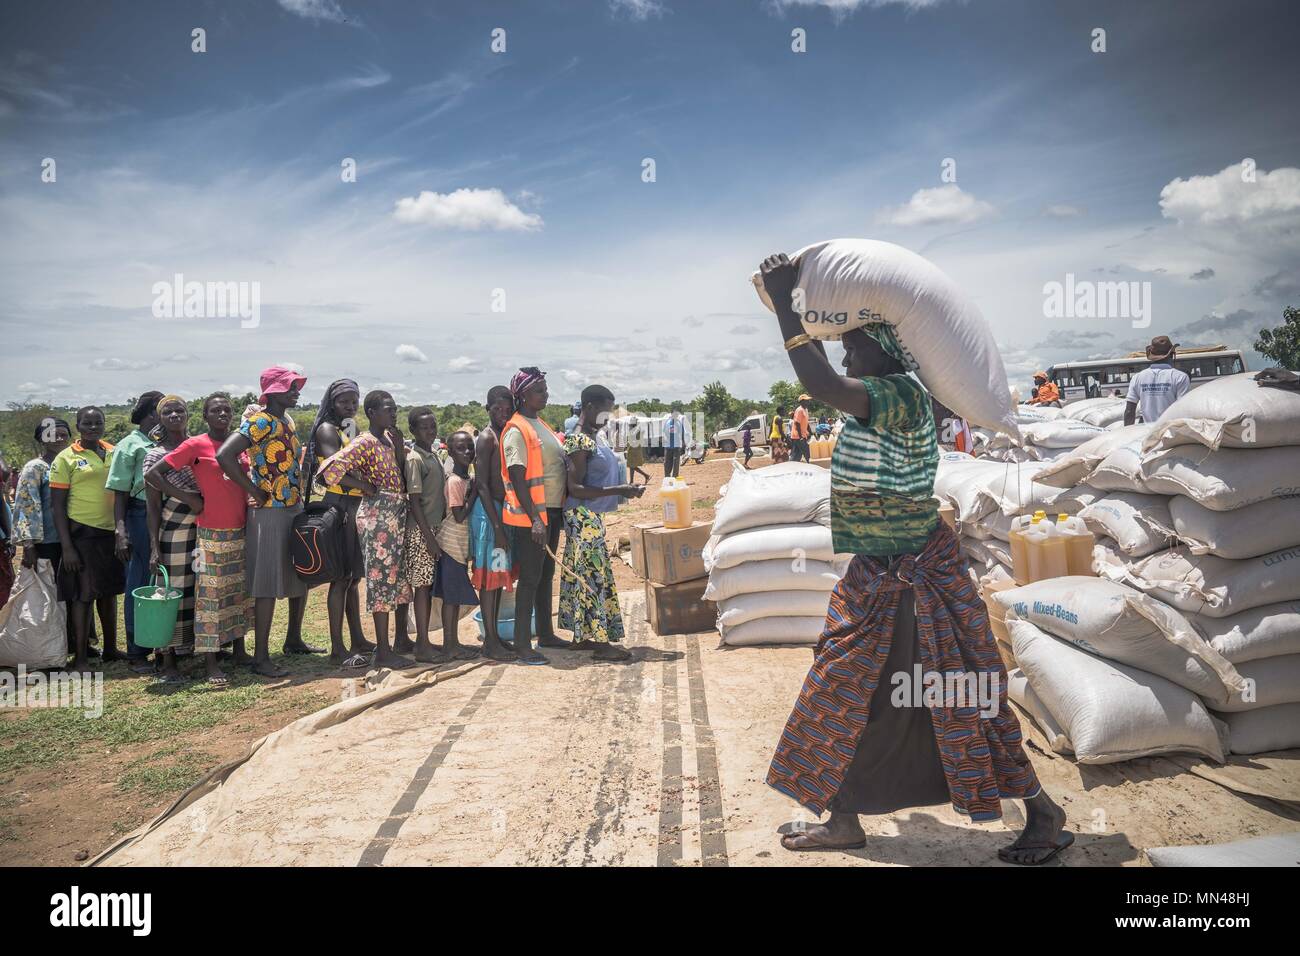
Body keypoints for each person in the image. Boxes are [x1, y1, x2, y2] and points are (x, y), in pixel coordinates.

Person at [757, 252, 1069, 865]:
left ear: (887, 352)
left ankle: (1044, 814)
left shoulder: (899, 395)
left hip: (917, 576)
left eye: (852, 346)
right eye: (842, 347)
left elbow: (819, 383)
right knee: (841, 687)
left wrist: (784, 305)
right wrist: (794, 306)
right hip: (878, 573)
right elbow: (823, 376)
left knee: (962, 694)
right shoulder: (884, 390)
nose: (845, 356)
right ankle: (842, 818)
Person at [217, 366, 318, 677]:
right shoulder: (260, 420)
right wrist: (253, 491)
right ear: (272, 391)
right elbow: (224, 454)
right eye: (289, 387)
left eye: (296, 386)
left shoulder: (283, 421)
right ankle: (261, 658)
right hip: (270, 509)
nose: (296, 392)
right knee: (266, 583)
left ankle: (294, 639)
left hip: (290, 505)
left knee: (299, 573)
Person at [149, 394, 253, 685]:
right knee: (210, 599)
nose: (222, 413)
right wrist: (189, 498)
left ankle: (239, 652)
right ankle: (210, 663)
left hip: (242, 529)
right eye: (215, 410)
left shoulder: (238, 443)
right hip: (210, 533)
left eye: (226, 410)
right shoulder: (195, 445)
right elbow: (154, 475)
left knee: (239, 596)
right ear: (205, 416)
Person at [319, 390, 414, 669]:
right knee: (381, 581)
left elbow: (399, 474)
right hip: (378, 515)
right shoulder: (365, 441)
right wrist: (363, 487)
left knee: (395, 580)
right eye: (388, 409)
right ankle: (383, 651)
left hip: (395, 514)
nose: (394, 413)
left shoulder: (388, 439)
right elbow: (329, 471)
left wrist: (397, 449)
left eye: (395, 409)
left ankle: (396, 642)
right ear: (371, 413)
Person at [559, 385, 644, 662]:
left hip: (589, 516)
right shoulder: (579, 441)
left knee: (581, 574)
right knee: (594, 576)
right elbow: (575, 488)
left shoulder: (595, 438)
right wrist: (619, 489)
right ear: (591, 407)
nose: (609, 416)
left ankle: (581, 636)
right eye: (606, 410)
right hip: (582, 516)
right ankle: (601, 643)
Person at [501, 367, 570, 665]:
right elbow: (517, 477)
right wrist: (536, 520)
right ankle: (521, 645)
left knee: (545, 576)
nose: (546, 394)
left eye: (545, 388)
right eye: (540, 390)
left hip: (549, 511)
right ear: (524, 395)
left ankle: (545, 632)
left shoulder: (538, 422)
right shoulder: (517, 429)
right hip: (531, 518)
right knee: (529, 578)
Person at [301, 378, 373, 666]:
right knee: (341, 579)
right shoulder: (327, 430)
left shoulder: (350, 429)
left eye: (354, 401)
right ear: (332, 403)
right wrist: (366, 486)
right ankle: (337, 648)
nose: (351, 406)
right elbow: (333, 471)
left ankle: (357, 638)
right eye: (345, 401)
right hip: (340, 506)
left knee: (353, 578)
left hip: (354, 504)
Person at [50, 406, 125, 670]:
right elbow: (57, 507)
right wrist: (67, 547)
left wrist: (121, 531)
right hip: (81, 534)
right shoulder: (66, 458)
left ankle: (110, 650)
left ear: (104, 424)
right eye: (87, 423)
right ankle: (81, 656)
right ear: (78, 426)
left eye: (98, 422)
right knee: (83, 595)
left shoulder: (115, 452)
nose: (93, 427)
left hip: (110, 533)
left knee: (109, 592)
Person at [105, 390, 164, 672]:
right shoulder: (129, 445)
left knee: (164, 583)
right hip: (139, 516)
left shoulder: (164, 441)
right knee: (139, 583)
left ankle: (166, 643)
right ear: (152, 413)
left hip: (169, 515)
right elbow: (119, 493)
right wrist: (121, 531)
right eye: (162, 409)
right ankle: (136, 651)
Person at [141, 396, 197, 683]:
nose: (175, 414)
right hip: (173, 529)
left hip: (202, 527)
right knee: (171, 594)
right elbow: (152, 507)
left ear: (188, 415)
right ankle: (168, 659)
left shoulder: (197, 448)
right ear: (159, 419)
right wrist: (154, 547)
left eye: (180, 410)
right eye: (168, 411)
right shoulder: (155, 456)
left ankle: (198, 647)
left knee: (198, 591)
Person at [12, 418, 77, 651]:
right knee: (50, 596)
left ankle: (76, 642)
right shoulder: (35, 468)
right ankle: (50, 646)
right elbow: (25, 505)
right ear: (41, 438)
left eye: (63, 433)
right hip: (46, 541)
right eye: (52, 434)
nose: (58, 438)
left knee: (73, 594)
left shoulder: (72, 462)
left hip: (73, 538)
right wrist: (28, 543)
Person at [470, 386, 520, 662]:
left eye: (506, 409)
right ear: (487, 408)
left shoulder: (505, 435)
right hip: (489, 517)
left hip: (502, 513)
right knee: (489, 580)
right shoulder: (487, 438)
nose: (502, 413)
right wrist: (498, 527)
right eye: (497, 409)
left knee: (498, 576)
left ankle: (495, 635)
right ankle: (490, 641)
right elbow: (482, 485)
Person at [401, 406, 450, 663]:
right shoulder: (415, 459)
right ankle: (422, 643)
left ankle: (425, 640)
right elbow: (415, 502)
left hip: (435, 529)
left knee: (428, 587)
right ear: (413, 431)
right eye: (424, 427)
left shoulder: (434, 455)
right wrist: (429, 538)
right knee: (421, 587)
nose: (430, 431)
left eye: (433, 426)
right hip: (421, 531)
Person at [432, 431, 481, 660]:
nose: (467, 452)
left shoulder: (466, 478)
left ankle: (454, 642)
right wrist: (476, 492)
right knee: (450, 598)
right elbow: (459, 515)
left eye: (470, 447)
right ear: (450, 452)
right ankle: (449, 644)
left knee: (453, 597)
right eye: (461, 449)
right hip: (450, 544)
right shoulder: (454, 481)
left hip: (459, 546)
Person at [1124, 335, 1190, 426]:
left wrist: (1127, 434)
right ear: (1172, 355)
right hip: (1170, 433)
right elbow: (1182, 410)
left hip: (1146, 432)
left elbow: (1129, 411)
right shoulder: (1180, 377)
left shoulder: (1137, 378)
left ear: (1152, 355)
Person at [622, 415, 651, 484]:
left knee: (632, 466)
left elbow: (639, 441)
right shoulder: (633, 430)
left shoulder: (637, 431)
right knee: (631, 466)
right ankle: (636, 479)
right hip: (631, 450)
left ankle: (645, 476)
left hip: (634, 451)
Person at [662, 410, 684, 478]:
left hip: (676, 446)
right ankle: (667, 477)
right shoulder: (667, 422)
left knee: (676, 462)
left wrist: (683, 442)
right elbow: (665, 432)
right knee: (667, 462)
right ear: (671, 414)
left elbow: (682, 433)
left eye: (676, 415)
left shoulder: (679, 423)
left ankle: (675, 477)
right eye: (674, 414)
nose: (676, 416)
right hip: (668, 446)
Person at [790, 396, 812, 461]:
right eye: (806, 400)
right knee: (806, 453)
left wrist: (810, 432)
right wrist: (800, 436)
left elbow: (806, 423)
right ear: (801, 401)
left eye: (808, 400)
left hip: (802, 436)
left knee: (797, 455)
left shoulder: (806, 410)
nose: (808, 402)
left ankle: (792, 468)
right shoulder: (799, 410)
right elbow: (797, 423)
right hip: (798, 436)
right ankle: (809, 466)